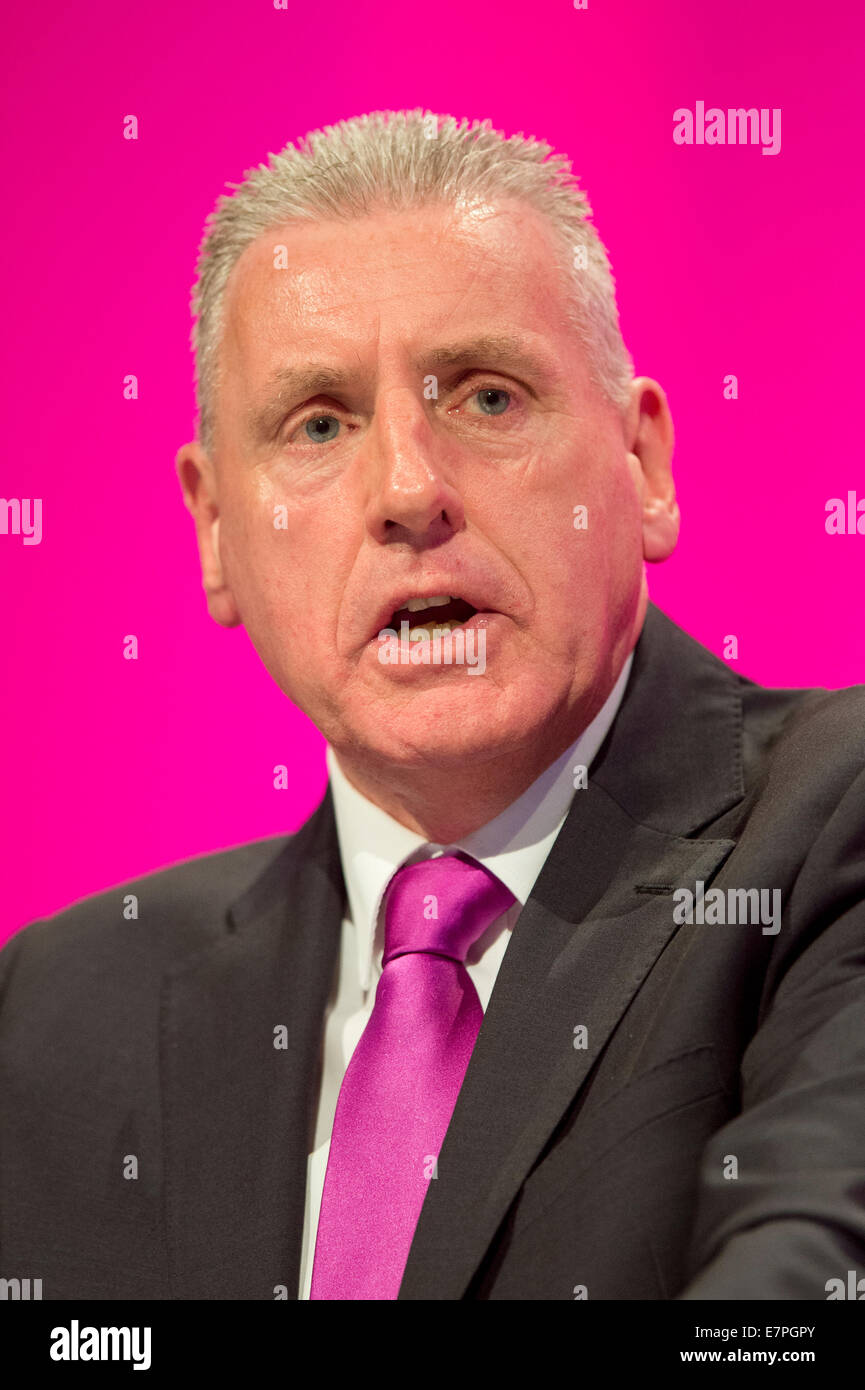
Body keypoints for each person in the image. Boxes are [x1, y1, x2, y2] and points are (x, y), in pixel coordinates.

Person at [1, 110, 863, 1301]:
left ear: (643, 463)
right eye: (319, 423)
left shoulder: (828, 830)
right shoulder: (60, 1004)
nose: (409, 489)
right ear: (213, 531)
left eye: (487, 398)